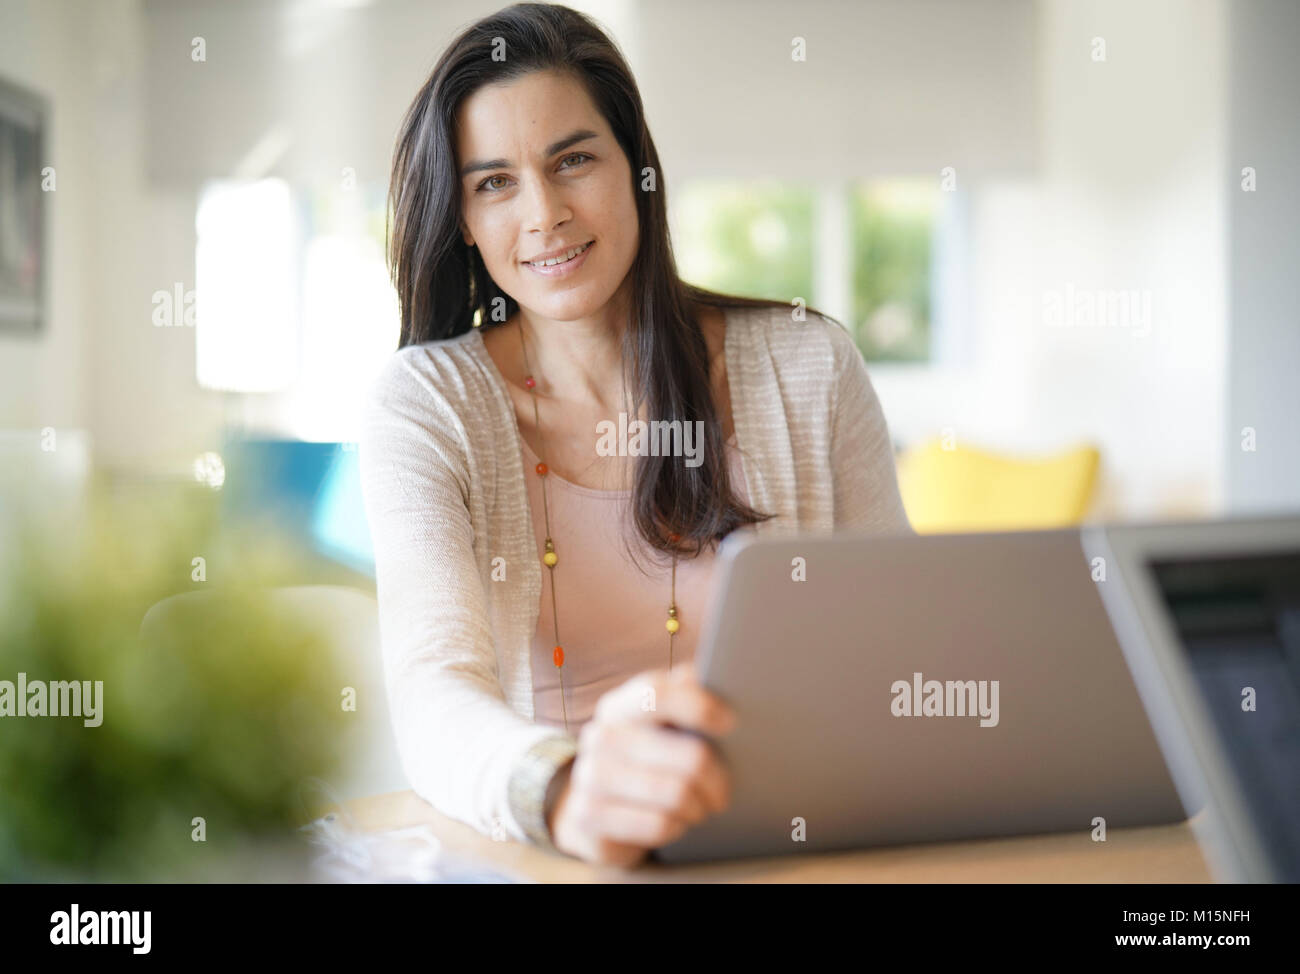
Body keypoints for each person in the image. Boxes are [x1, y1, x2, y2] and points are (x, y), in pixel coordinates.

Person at [360, 2, 912, 868]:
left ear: (635, 173)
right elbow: (434, 690)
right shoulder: (426, 406)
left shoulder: (812, 364)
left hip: (801, 845)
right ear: (463, 217)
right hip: (564, 850)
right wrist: (563, 787)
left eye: (572, 160)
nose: (543, 214)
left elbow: (897, 644)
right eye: (494, 182)